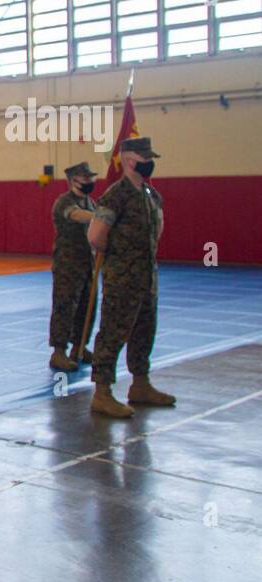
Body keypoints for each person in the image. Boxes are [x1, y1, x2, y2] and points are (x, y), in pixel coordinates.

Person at [87, 137, 176, 418]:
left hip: (147, 277)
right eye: (143, 158)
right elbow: (95, 236)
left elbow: (157, 230)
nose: (149, 163)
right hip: (122, 278)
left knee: (144, 331)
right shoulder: (116, 195)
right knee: (113, 333)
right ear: (128, 160)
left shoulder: (151, 195)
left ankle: (140, 384)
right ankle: (102, 392)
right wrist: (119, 256)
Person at [48, 161, 99, 371]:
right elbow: (76, 216)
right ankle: (58, 351)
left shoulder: (91, 203)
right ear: (72, 180)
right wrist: (102, 217)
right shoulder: (64, 202)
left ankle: (79, 347)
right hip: (68, 264)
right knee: (65, 306)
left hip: (88, 263)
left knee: (88, 306)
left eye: (90, 178)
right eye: (84, 178)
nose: (89, 182)